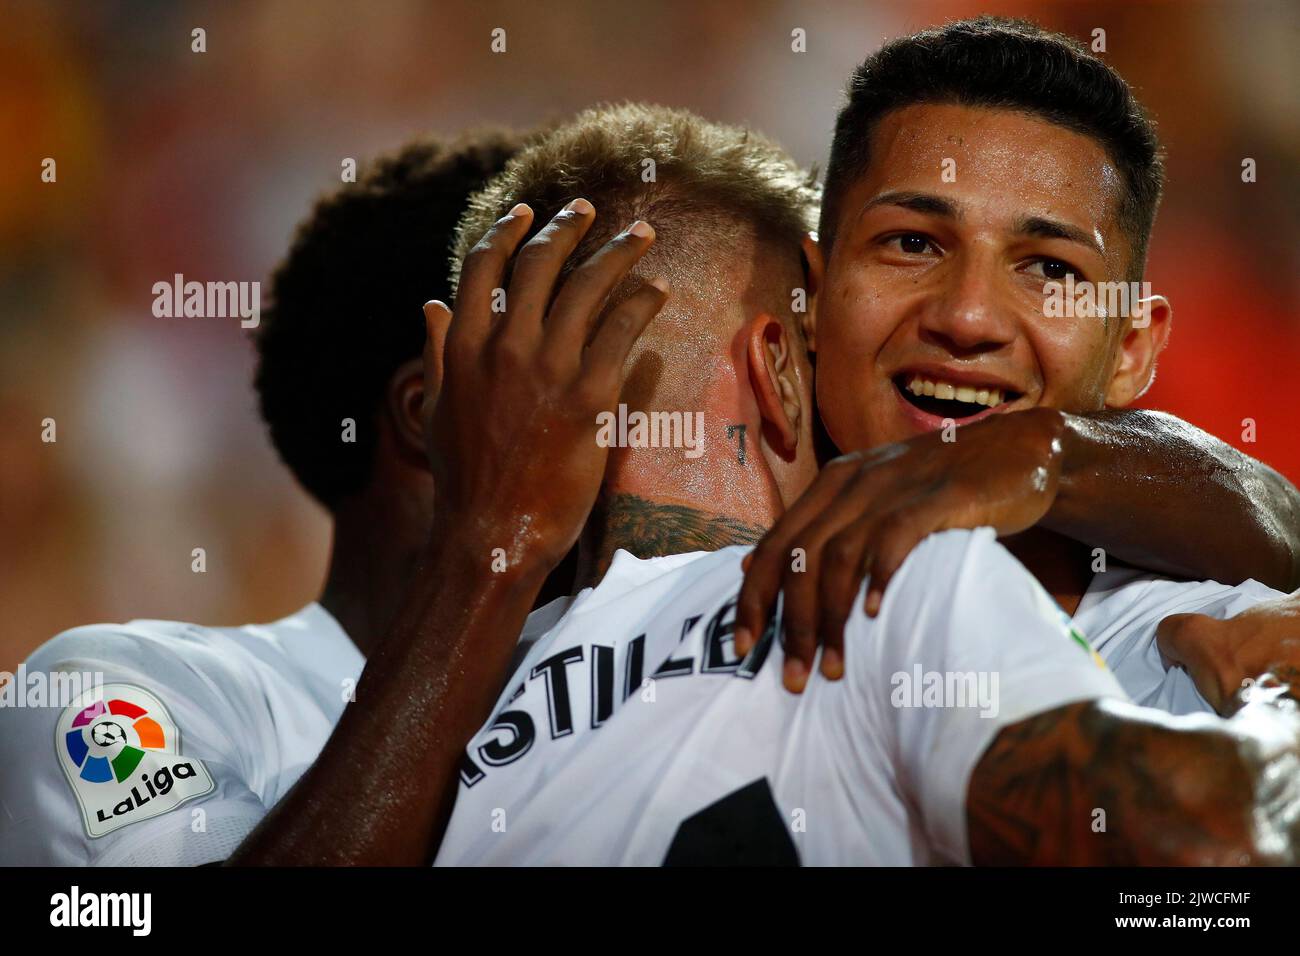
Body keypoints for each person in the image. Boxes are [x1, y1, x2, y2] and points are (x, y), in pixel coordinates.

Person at [424, 89, 1300, 862]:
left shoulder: (1197, 625)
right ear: (807, 307)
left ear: (1134, 348)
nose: (966, 318)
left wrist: (1050, 454)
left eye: (1049, 270)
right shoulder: (890, 583)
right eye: (913, 242)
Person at [0, 129, 561, 866]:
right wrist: (486, 555)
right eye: (588, 377)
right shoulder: (113, 690)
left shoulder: (653, 695)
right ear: (431, 415)